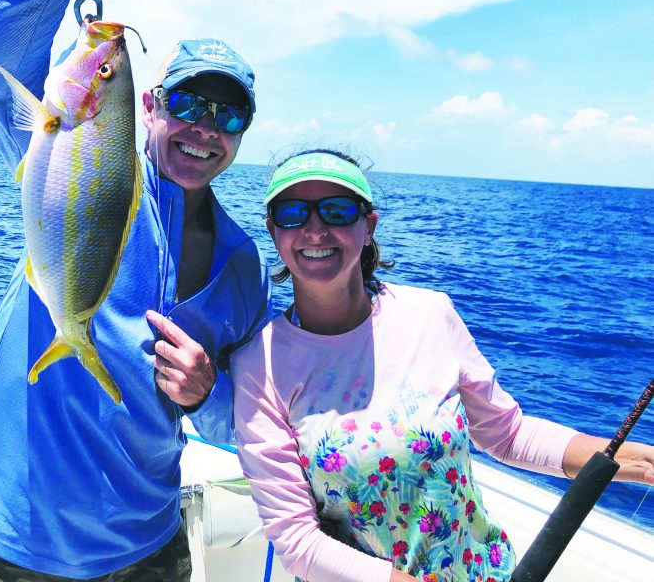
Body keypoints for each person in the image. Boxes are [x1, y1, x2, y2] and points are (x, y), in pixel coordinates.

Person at [0, 0, 272, 580]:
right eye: (189, 103)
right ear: (151, 107)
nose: (204, 128)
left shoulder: (242, 265)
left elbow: (244, 421)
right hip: (8, 545)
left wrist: (205, 397)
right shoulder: (70, 156)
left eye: (228, 118)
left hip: (148, 550)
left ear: (241, 139)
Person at [232, 148, 654, 582]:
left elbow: (508, 434)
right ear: (273, 231)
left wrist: (641, 463)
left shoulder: (430, 314)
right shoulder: (257, 367)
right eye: (293, 214)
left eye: (337, 211)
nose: (315, 229)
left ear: (369, 225)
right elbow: (297, 540)